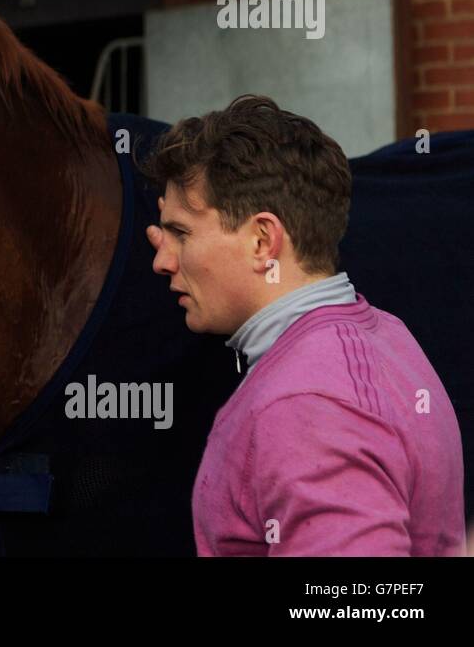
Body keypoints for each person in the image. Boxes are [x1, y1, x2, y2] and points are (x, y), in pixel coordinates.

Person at [143, 95, 464, 556]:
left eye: (181, 234)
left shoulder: (307, 402)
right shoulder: (381, 333)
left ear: (261, 240)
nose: (162, 260)